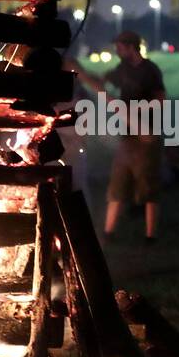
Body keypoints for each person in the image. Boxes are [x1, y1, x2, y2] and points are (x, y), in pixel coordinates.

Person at [69, 31, 166, 243]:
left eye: (120, 47)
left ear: (132, 47)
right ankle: (108, 233)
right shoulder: (122, 69)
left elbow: (161, 100)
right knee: (118, 185)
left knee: (148, 186)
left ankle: (151, 236)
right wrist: (80, 72)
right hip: (127, 137)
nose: (117, 50)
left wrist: (134, 111)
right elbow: (100, 82)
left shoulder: (150, 70)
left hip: (147, 136)